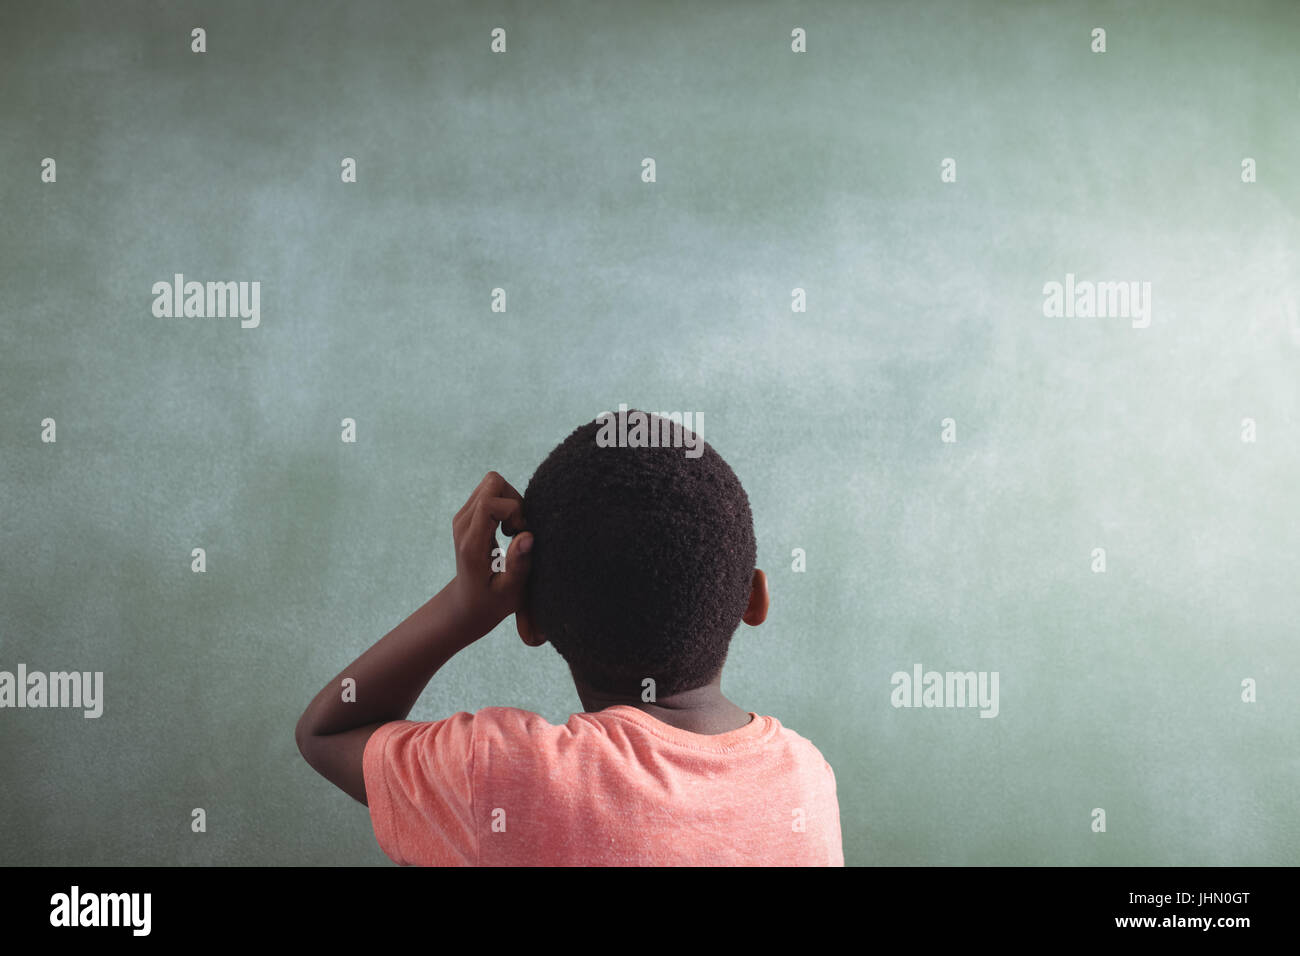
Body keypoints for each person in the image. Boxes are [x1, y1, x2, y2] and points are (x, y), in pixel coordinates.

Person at [296, 409, 843, 865]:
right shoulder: (808, 782)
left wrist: (462, 611)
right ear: (755, 599)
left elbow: (326, 732)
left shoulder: (503, 774)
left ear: (528, 622)